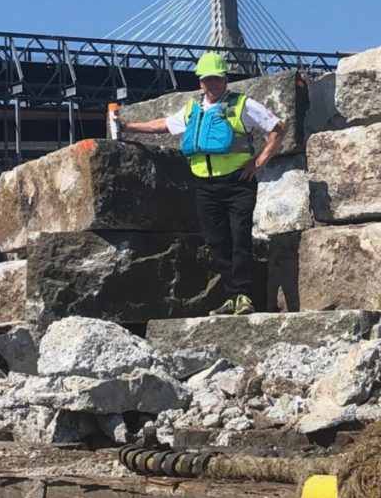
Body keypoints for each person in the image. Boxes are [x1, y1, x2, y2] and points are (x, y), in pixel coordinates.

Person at [121, 52, 286, 315]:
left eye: (216, 79)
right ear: (200, 83)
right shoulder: (192, 109)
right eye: (206, 80)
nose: (211, 85)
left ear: (225, 79)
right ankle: (231, 298)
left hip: (237, 183)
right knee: (216, 242)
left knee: (239, 238)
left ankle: (244, 296)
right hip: (205, 186)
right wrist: (128, 126)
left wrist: (259, 162)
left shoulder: (242, 104)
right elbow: (163, 125)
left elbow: (278, 127)